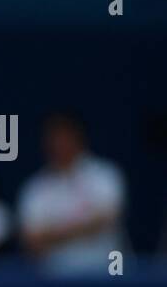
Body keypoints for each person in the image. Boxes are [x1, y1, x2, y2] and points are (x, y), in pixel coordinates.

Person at [18, 113, 126, 275]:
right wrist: (85, 227)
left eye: (65, 138)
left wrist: (52, 235)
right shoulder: (35, 188)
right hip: (57, 279)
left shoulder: (104, 174)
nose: (60, 145)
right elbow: (32, 241)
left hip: (107, 272)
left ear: (78, 138)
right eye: (54, 139)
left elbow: (108, 219)